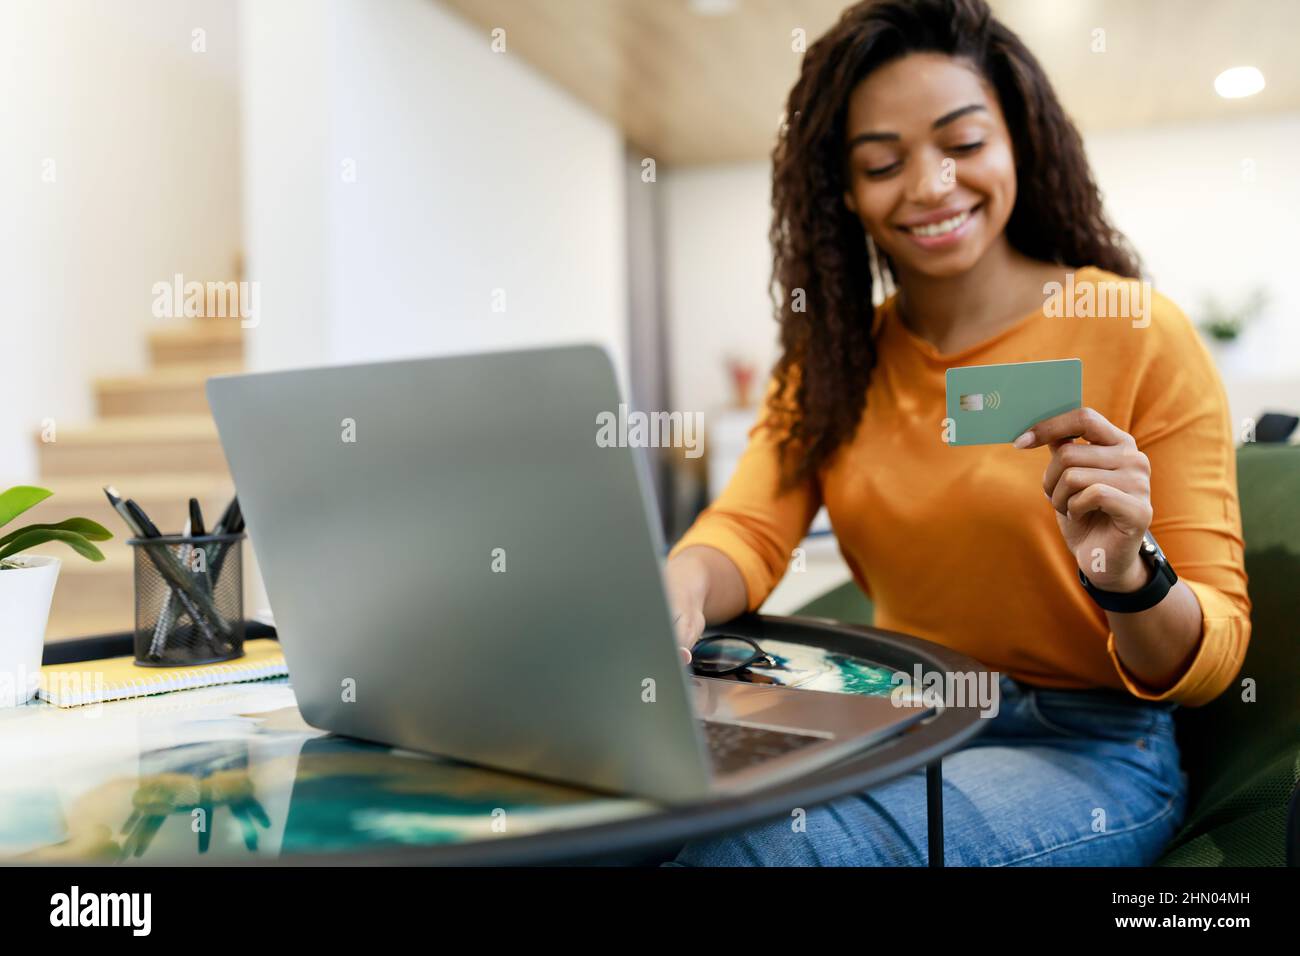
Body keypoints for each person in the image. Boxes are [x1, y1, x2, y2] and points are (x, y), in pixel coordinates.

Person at [662, 0, 1250, 866]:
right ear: (845, 189)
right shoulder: (832, 361)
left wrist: (1126, 572)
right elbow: (746, 533)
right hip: (899, 715)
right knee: (612, 825)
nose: (931, 185)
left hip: (1083, 746)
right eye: (881, 162)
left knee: (760, 858)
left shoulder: (1135, 330)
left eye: (964, 144)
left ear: (1019, 142)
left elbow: (1215, 653)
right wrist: (675, 586)